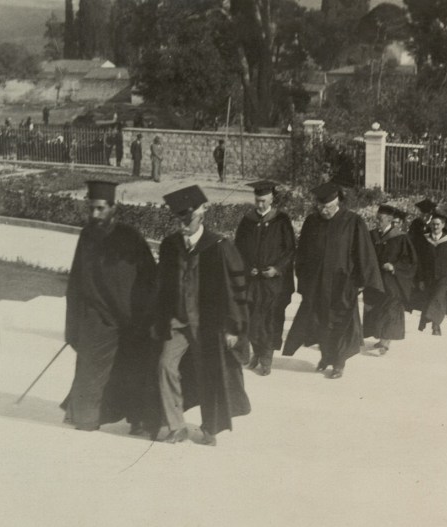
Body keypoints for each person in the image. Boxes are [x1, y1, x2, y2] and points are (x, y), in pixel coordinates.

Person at [152, 185, 251, 446]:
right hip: (177, 321)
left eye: (188, 218)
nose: (183, 224)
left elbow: (236, 288)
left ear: (201, 214)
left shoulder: (218, 246)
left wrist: (233, 327)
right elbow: (161, 284)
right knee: (165, 365)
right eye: (179, 219)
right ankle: (176, 426)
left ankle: (210, 426)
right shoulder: (170, 245)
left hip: (207, 323)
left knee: (209, 371)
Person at [61, 180, 156, 433]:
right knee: (90, 370)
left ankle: (139, 419)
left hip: (131, 319)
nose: (94, 214)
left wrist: (144, 316)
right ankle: (86, 418)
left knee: (135, 368)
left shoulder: (130, 237)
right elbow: (75, 282)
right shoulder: (86, 236)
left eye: (101, 208)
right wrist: (72, 326)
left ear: (114, 207)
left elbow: (149, 276)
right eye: (91, 208)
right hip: (96, 318)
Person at [283, 182, 383, 379]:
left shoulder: (352, 221)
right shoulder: (312, 221)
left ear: (337, 202)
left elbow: (364, 252)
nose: (323, 211)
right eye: (320, 207)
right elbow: (302, 252)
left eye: (327, 207)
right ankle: (326, 356)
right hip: (317, 283)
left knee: (340, 323)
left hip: (343, 283)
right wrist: (303, 278)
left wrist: (361, 280)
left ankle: (339, 362)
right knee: (320, 321)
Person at [234, 180, 296, 376]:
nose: (259, 205)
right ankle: (257, 353)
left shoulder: (281, 220)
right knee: (252, 318)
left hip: (273, 282)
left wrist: (277, 269)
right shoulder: (248, 221)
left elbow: (290, 250)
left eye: (263, 200)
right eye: (257, 200)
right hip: (253, 280)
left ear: (271, 198)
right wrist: (246, 268)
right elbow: (238, 249)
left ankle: (267, 358)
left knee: (269, 319)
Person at [363, 205, 418, 354]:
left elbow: (410, 261)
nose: (377, 222)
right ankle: (381, 338)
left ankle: (385, 342)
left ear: (389, 220)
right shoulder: (371, 235)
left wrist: (394, 266)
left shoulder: (400, 237)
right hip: (375, 280)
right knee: (377, 308)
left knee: (390, 309)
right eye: (377, 219)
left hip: (392, 281)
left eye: (380, 219)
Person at [416, 210, 447, 336]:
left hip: (445, 277)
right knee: (432, 299)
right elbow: (420, 261)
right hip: (429, 276)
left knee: (438, 298)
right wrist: (421, 279)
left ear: (443, 225)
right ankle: (435, 323)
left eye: (438, 224)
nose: (435, 227)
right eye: (433, 224)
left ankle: (435, 325)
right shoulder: (424, 239)